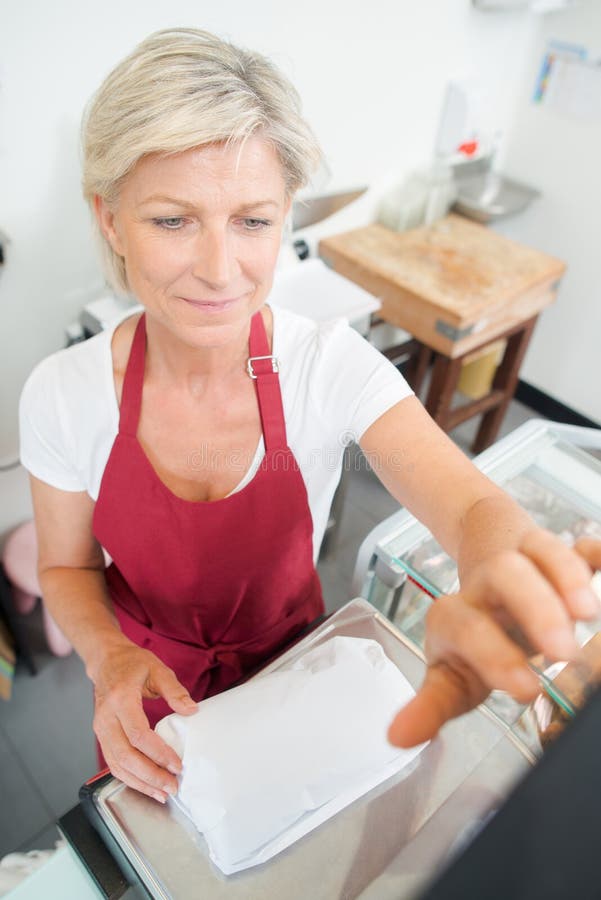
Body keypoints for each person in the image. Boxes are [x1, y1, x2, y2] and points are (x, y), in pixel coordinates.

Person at [19, 28, 601, 805]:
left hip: (296, 669)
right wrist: (105, 657)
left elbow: (468, 505)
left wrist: (493, 569)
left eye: (252, 221)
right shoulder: (62, 393)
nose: (221, 271)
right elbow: (62, 568)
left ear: (286, 216)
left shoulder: (327, 366)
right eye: (171, 220)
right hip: (144, 686)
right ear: (109, 218)